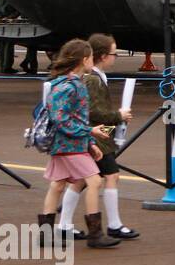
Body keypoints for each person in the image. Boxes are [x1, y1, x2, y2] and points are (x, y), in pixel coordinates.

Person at [37, 39, 121, 249]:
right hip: (70, 145)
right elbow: (63, 119)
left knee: (57, 185)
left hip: (64, 144)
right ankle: (95, 234)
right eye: (91, 57)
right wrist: (89, 133)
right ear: (84, 60)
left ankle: (45, 235)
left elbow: (70, 118)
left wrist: (90, 141)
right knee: (94, 181)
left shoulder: (63, 84)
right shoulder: (71, 86)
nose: (93, 60)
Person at [58, 34, 138, 241]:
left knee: (79, 181)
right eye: (114, 53)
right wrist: (118, 116)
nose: (115, 57)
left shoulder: (93, 77)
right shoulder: (93, 79)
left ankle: (64, 225)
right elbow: (94, 112)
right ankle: (113, 224)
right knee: (110, 176)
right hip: (95, 136)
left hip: (94, 135)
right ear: (103, 56)